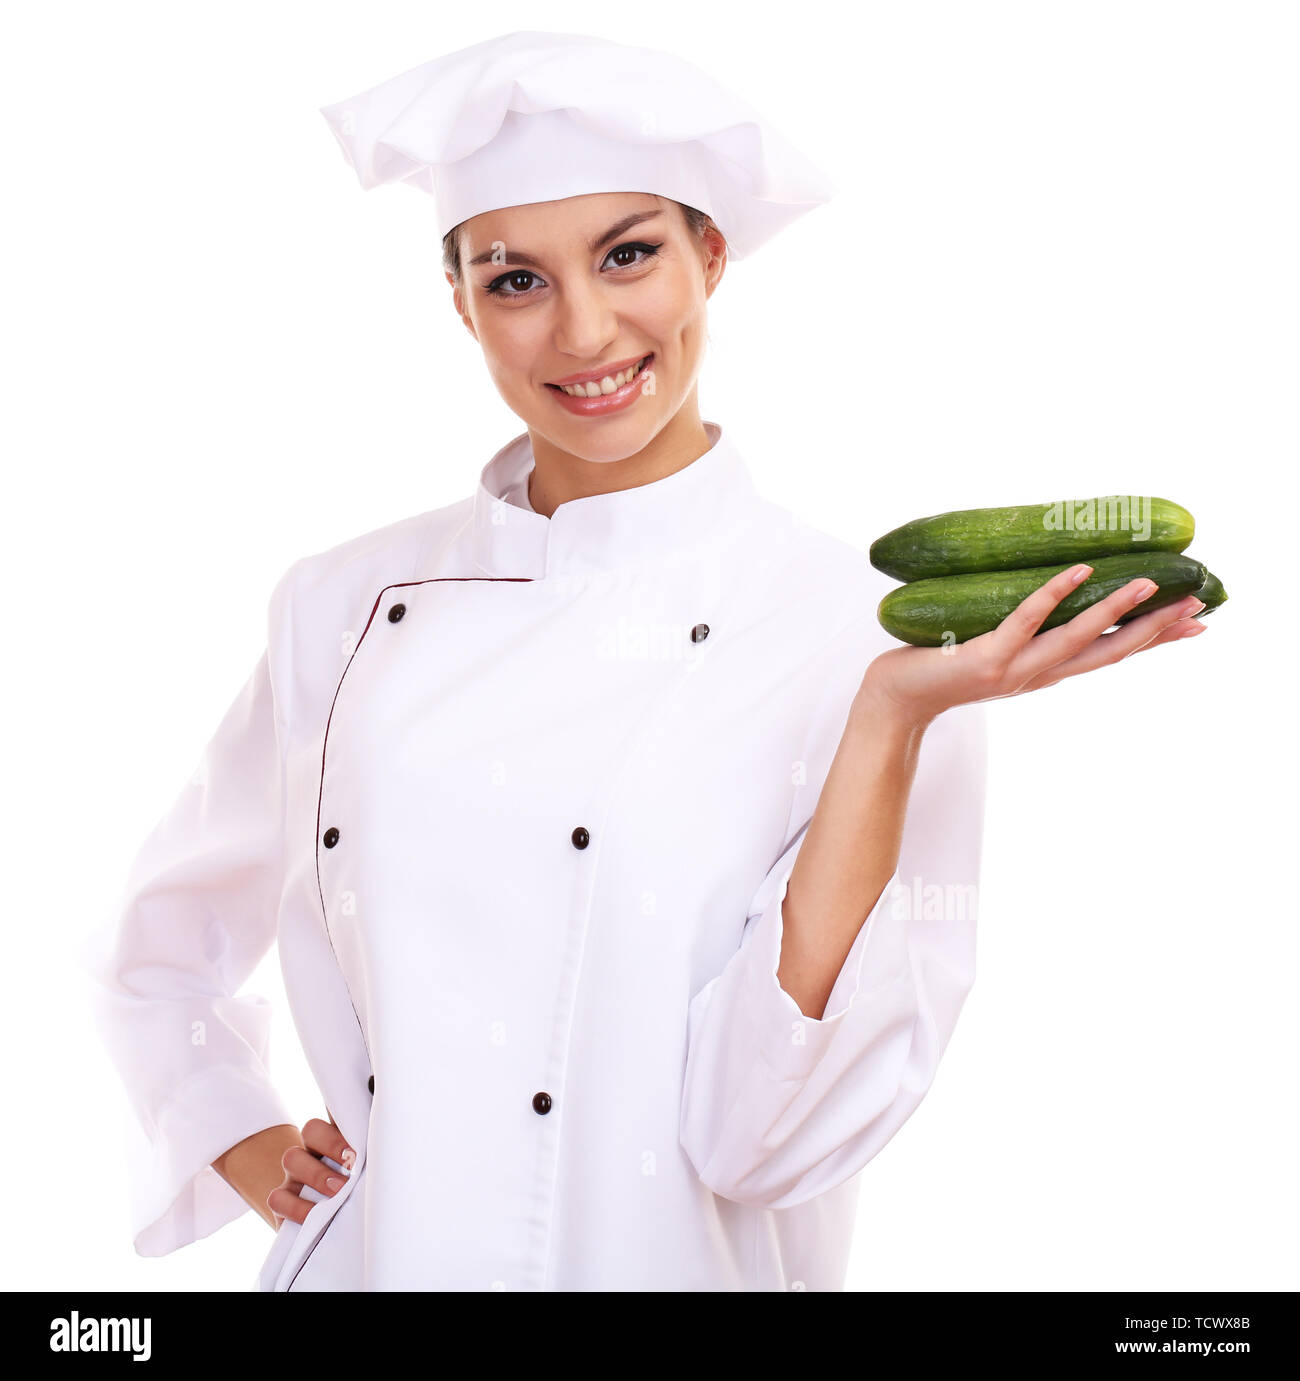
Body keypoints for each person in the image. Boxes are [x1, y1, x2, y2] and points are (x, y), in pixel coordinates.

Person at [84, 30, 1208, 1293]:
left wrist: (889, 723)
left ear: (710, 256)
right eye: (515, 280)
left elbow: (762, 1141)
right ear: (458, 301)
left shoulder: (866, 633)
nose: (584, 329)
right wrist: (234, 1130)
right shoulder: (338, 607)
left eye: (629, 255)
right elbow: (159, 942)